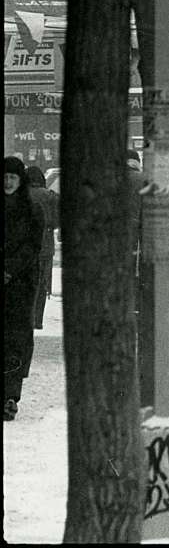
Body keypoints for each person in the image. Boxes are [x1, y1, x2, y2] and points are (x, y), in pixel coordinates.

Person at [5, 156, 45, 421]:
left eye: (13, 177)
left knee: (16, 341)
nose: (8, 182)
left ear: (20, 181)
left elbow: (33, 246)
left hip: (20, 286)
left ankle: (10, 395)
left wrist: (10, 270)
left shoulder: (32, 210)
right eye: (5, 177)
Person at [25, 166, 59, 330]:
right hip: (45, 245)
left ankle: (26, 318)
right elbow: (57, 220)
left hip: (25, 245)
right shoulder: (50, 196)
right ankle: (38, 320)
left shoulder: (21, 196)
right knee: (42, 283)